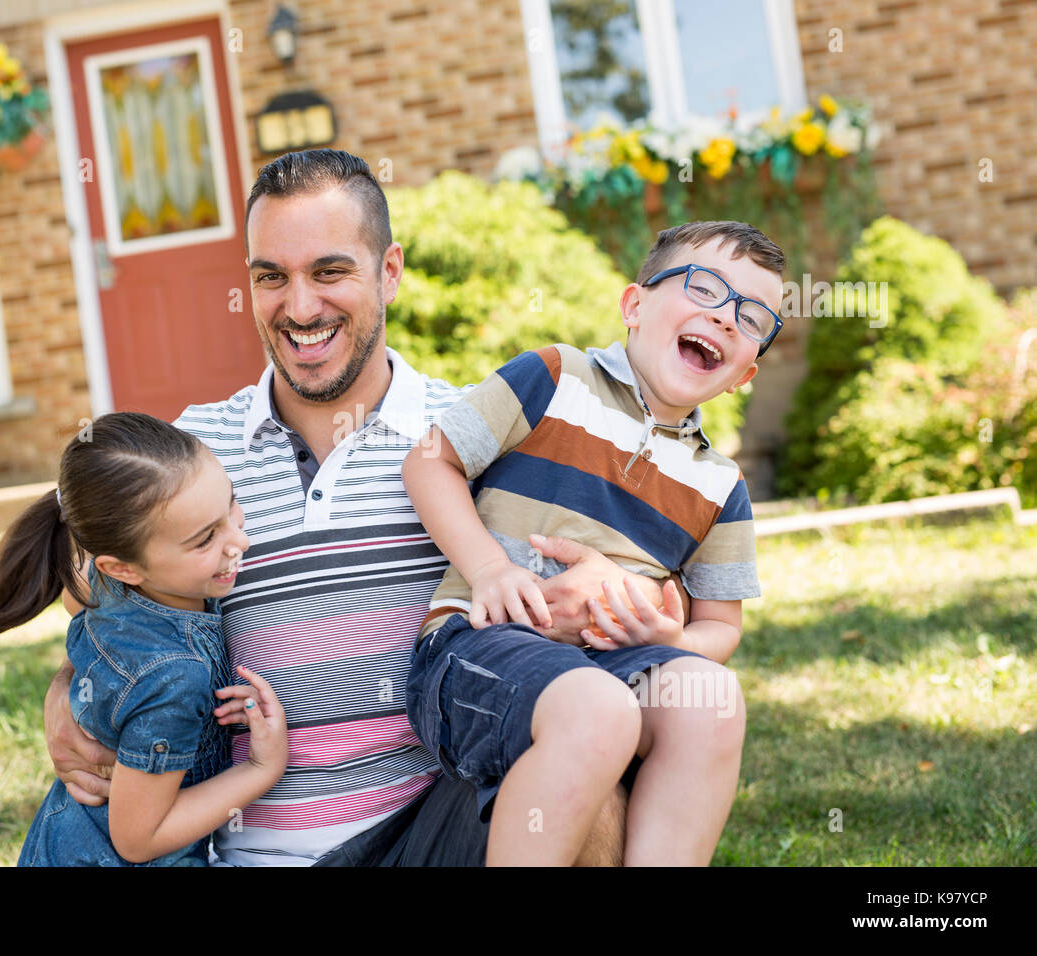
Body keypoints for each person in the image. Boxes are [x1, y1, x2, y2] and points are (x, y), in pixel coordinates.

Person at [45, 149, 686, 866]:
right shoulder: (193, 455)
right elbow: (114, 610)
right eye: (270, 278)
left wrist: (613, 592)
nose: (299, 307)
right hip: (253, 850)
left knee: (586, 776)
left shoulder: (474, 438)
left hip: (436, 831)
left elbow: (590, 590)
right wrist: (67, 691)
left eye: (329, 272)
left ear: (389, 273)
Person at [400, 220, 783, 865]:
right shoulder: (556, 377)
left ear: (746, 372)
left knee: (711, 699)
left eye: (752, 317)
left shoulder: (721, 485)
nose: (724, 319)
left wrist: (673, 642)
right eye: (706, 289)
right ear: (634, 305)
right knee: (597, 709)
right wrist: (490, 569)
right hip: (480, 644)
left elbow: (722, 625)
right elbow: (428, 463)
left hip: (616, 664)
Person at [0, 412, 287, 865]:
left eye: (230, 507)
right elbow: (139, 837)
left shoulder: (104, 583)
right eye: (204, 540)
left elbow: (78, 592)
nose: (239, 542)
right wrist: (260, 769)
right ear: (123, 568)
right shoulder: (174, 677)